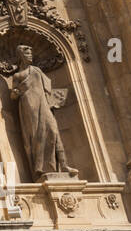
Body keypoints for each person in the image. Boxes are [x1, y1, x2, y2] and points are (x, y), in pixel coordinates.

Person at [8, 44, 78, 178]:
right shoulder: (17, 76)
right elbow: (13, 95)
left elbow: (48, 88)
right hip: (28, 106)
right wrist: (16, 92)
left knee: (53, 131)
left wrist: (53, 100)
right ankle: (38, 169)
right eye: (27, 53)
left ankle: (63, 165)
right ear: (21, 56)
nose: (30, 56)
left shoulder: (36, 70)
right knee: (35, 136)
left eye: (30, 53)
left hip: (43, 104)